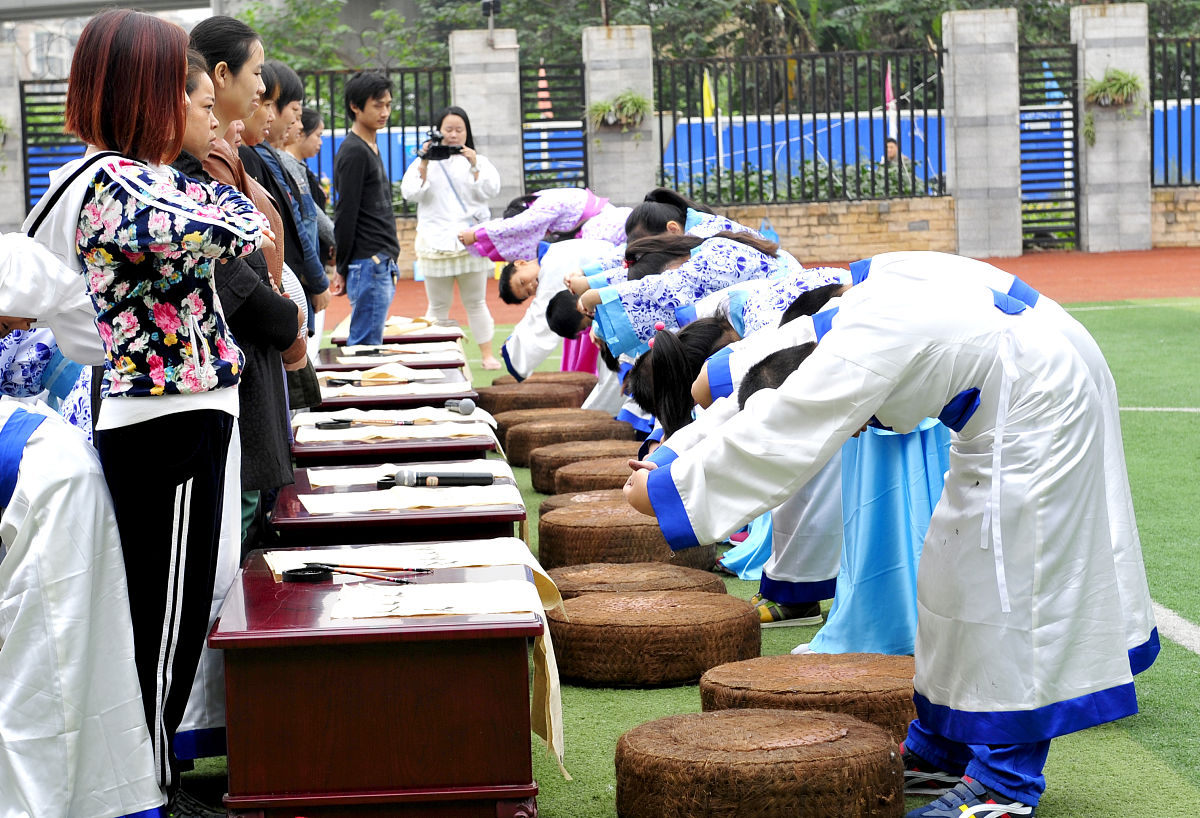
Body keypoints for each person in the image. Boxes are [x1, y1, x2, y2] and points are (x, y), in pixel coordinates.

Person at [625, 267, 1157, 818]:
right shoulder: (817, 343)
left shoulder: (845, 357)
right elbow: (752, 404)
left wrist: (665, 493)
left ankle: (1006, 785)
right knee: (948, 574)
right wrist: (670, 457)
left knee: (1006, 583)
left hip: (1038, 405)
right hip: (1009, 399)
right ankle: (941, 750)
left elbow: (776, 434)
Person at [23, 9, 269, 805]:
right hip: (166, 418)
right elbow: (235, 224)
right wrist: (217, 182)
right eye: (180, 87)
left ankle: (150, 774)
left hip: (168, 415)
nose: (198, 103)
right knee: (164, 619)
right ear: (144, 92)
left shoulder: (113, 177)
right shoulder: (119, 183)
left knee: (169, 608)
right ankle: (150, 783)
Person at [399, 105, 502, 368]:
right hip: (436, 242)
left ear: (467, 132)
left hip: (470, 241)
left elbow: (491, 190)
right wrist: (424, 160)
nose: (454, 135)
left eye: (460, 129)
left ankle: (487, 355)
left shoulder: (479, 161)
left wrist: (474, 162)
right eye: (448, 129)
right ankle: (435, 356)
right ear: (438, 132)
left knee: (476, 301)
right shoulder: (425, 162)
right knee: (438, 305)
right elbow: (410, 192)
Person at [332, 72, 402, 346]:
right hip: (368, 262)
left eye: (388, 104)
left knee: (370, 343)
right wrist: (342, 266)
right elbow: (345, 213)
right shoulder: (354, 152)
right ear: (355, 106)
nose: (385, 112)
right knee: (364, 348)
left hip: (379, 261)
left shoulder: (370, 146)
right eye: (378, 105)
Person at [496, 238, 613, 381]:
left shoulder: (552, 263)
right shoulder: (552, 258)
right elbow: (539, 309)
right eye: (527, 293)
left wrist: (512, 351)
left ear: (520, 263)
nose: (530, 287)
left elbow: (542, 317)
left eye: (522, 282)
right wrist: (512, 340)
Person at [458, 187, 630, 262]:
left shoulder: (541, 206)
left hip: (604, 229)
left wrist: (476, 234)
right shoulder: (542, 197)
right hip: (611, 223)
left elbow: (517, 225)